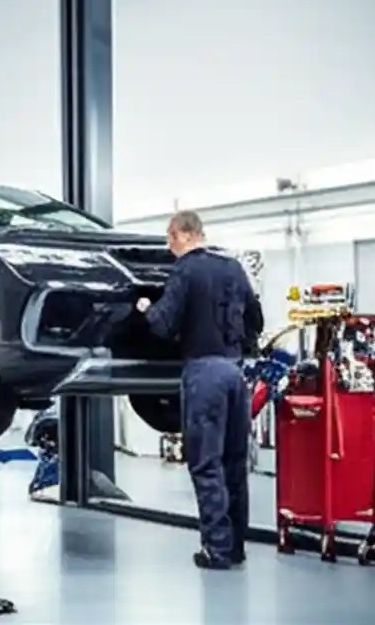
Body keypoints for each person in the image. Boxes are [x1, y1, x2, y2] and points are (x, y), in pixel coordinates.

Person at [136, 210, 263, 570]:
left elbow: (163, 324)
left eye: (168, 237)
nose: (167, 244)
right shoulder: (234, 268)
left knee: (206, 464)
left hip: (204, 374)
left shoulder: (185, 270)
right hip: (236, 375)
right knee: (234, 464)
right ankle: (236, 546)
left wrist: (146, 307)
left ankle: (217, 551)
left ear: (181, 234)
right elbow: (256, 320)